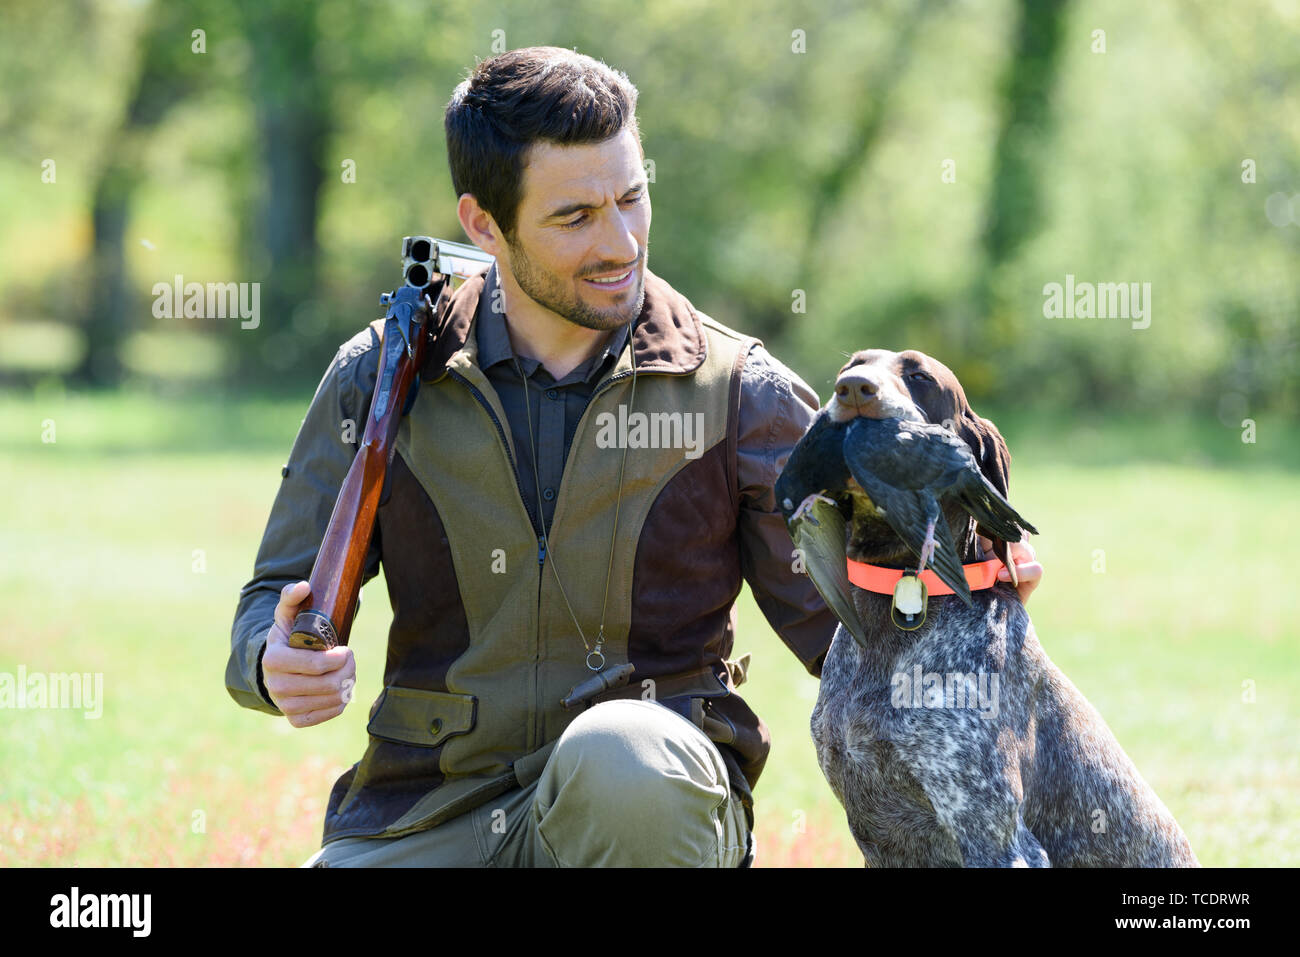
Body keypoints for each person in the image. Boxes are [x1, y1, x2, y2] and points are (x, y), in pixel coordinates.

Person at [225, 46, 1041, 868]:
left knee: (624, 757)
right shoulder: (381, 373)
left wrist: (959, 589)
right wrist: (273, 655)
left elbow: (855, 629)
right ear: (482, 224)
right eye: (575, 217)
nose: (621, 242)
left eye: (631, 198)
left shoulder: (740, 392)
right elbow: (271, 596)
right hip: (423, 813)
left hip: (647, 805)